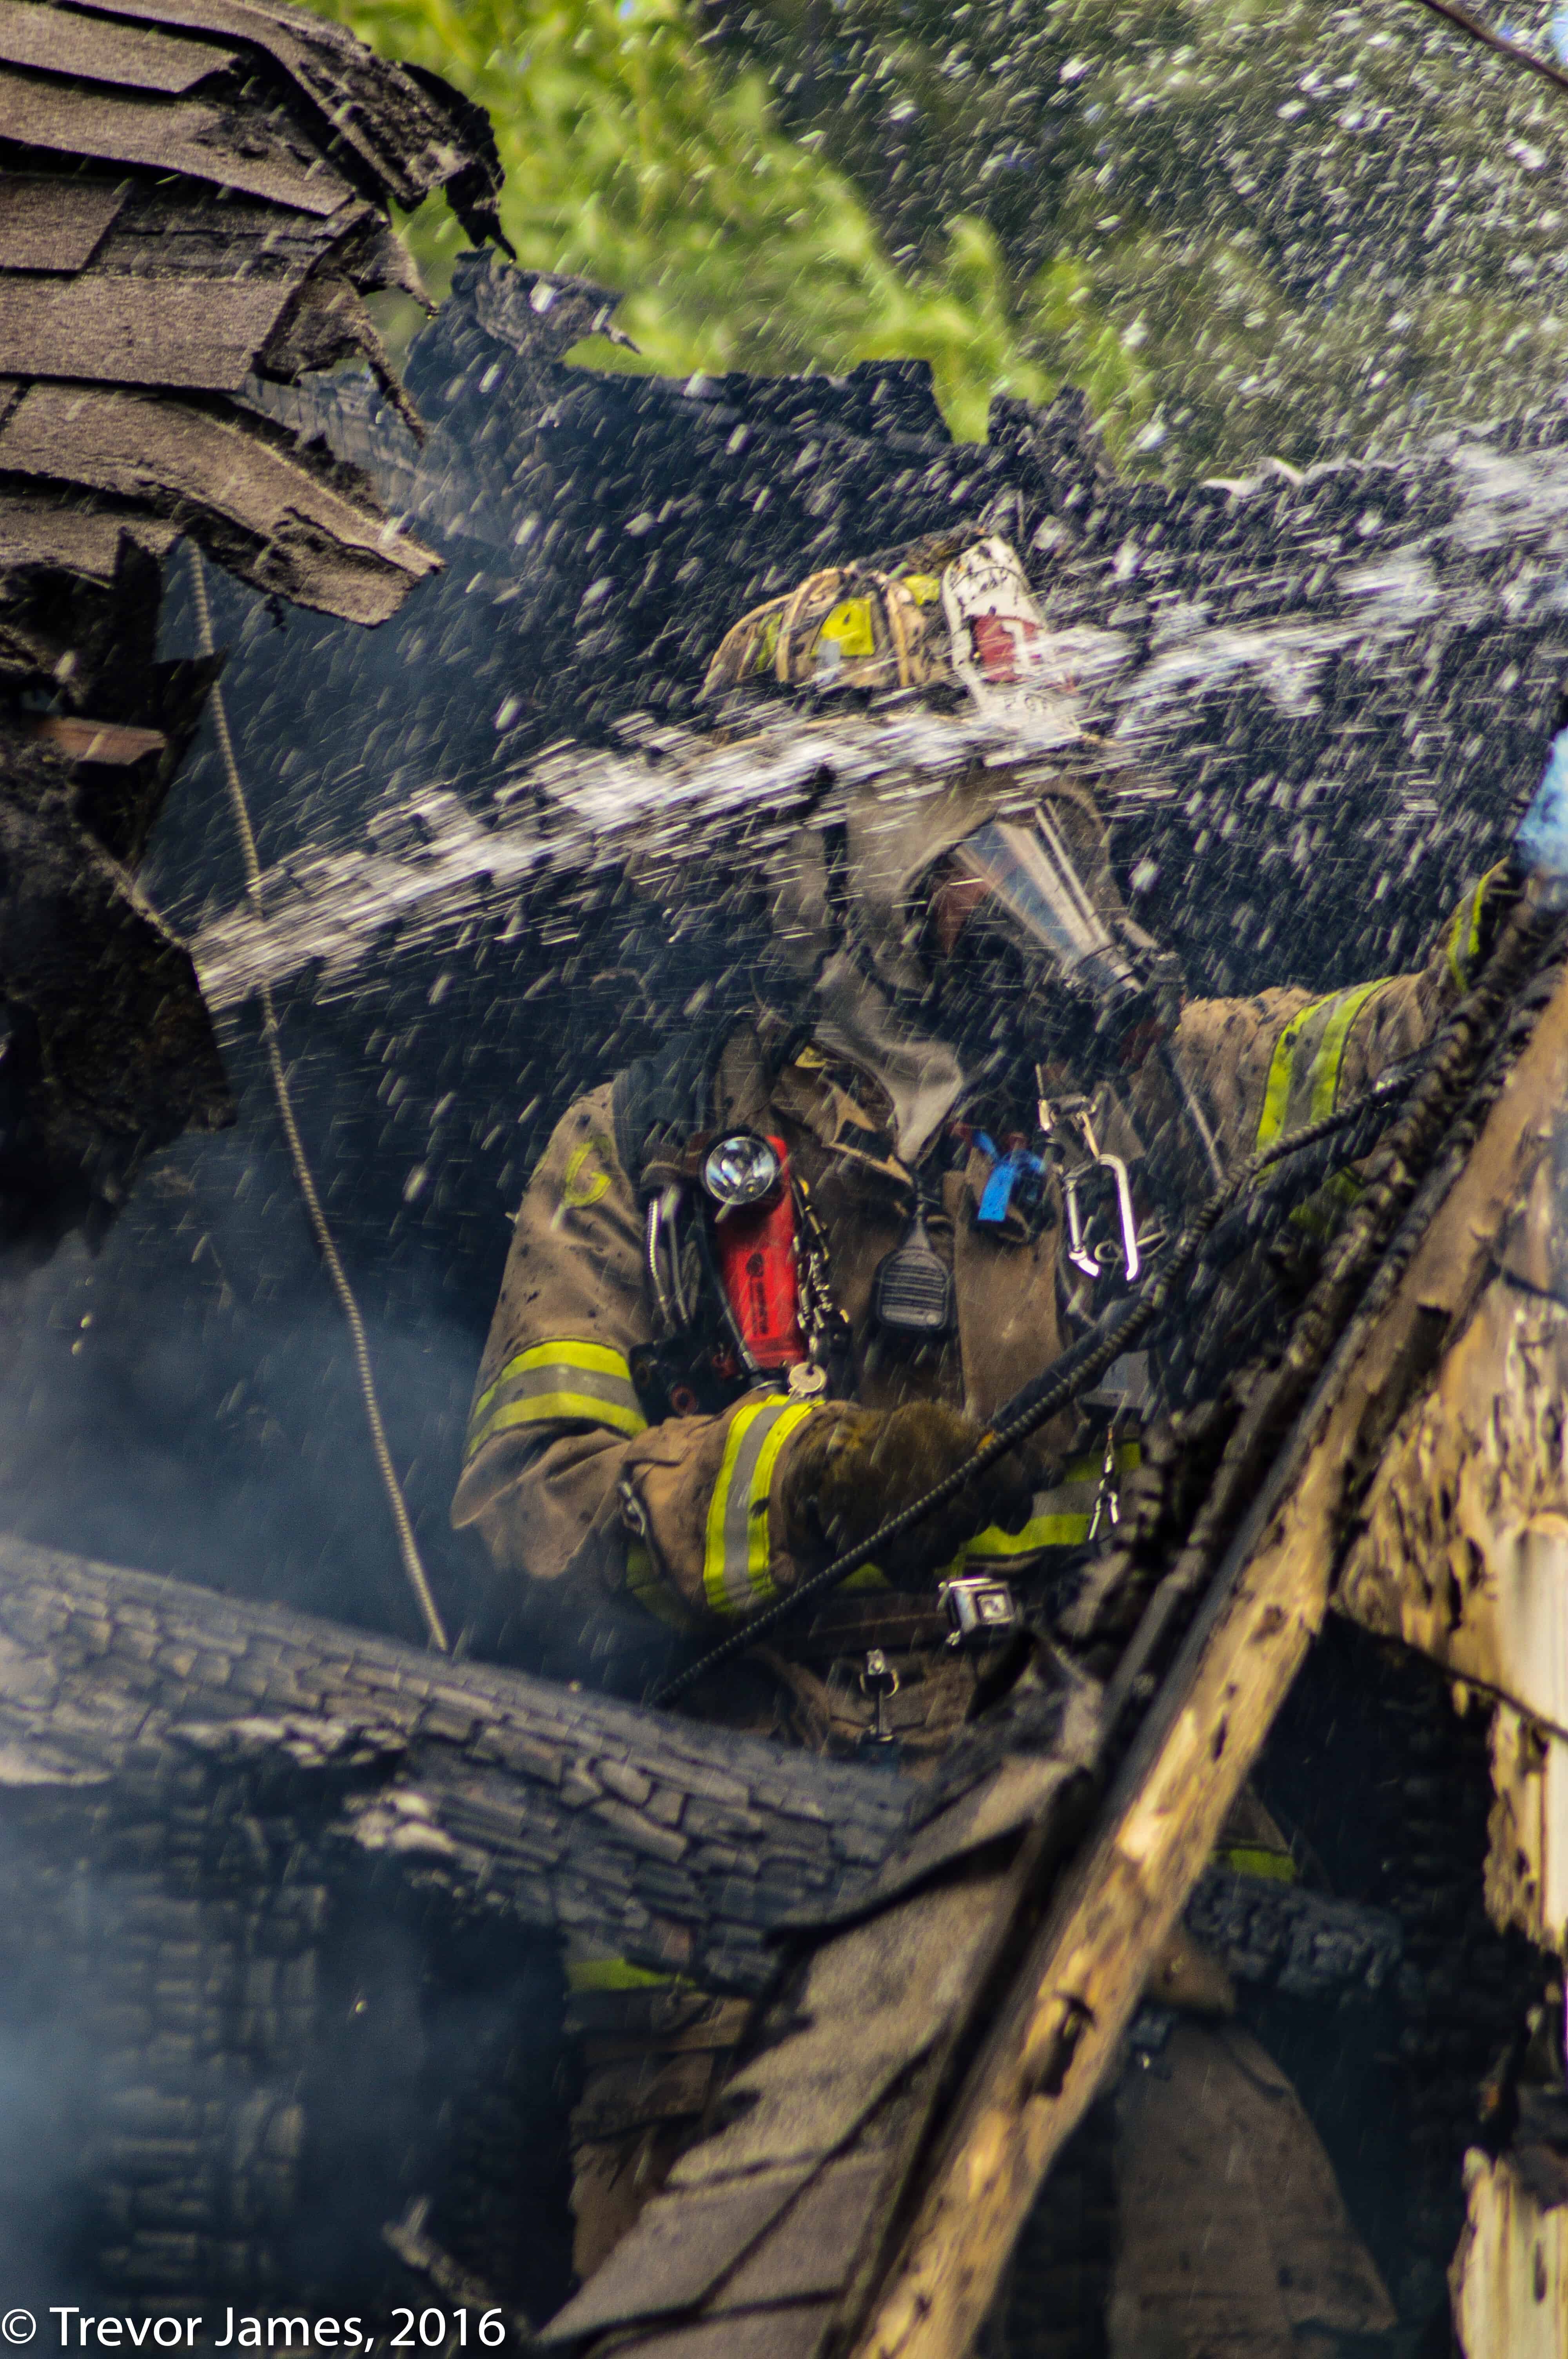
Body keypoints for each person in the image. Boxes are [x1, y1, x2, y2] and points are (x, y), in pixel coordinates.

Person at [452, 531, 1504, 2344]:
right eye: (957, 789)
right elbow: (528, 1509)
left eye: (1040, 780)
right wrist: (815, 1484)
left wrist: (1524, 921)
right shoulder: (637, 1148)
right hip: (740, 1913)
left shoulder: (1146, 1086)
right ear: (805, 846)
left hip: (1112, 1884)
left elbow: (1420, 1052)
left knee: (1255, 2308)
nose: (1018, 844)